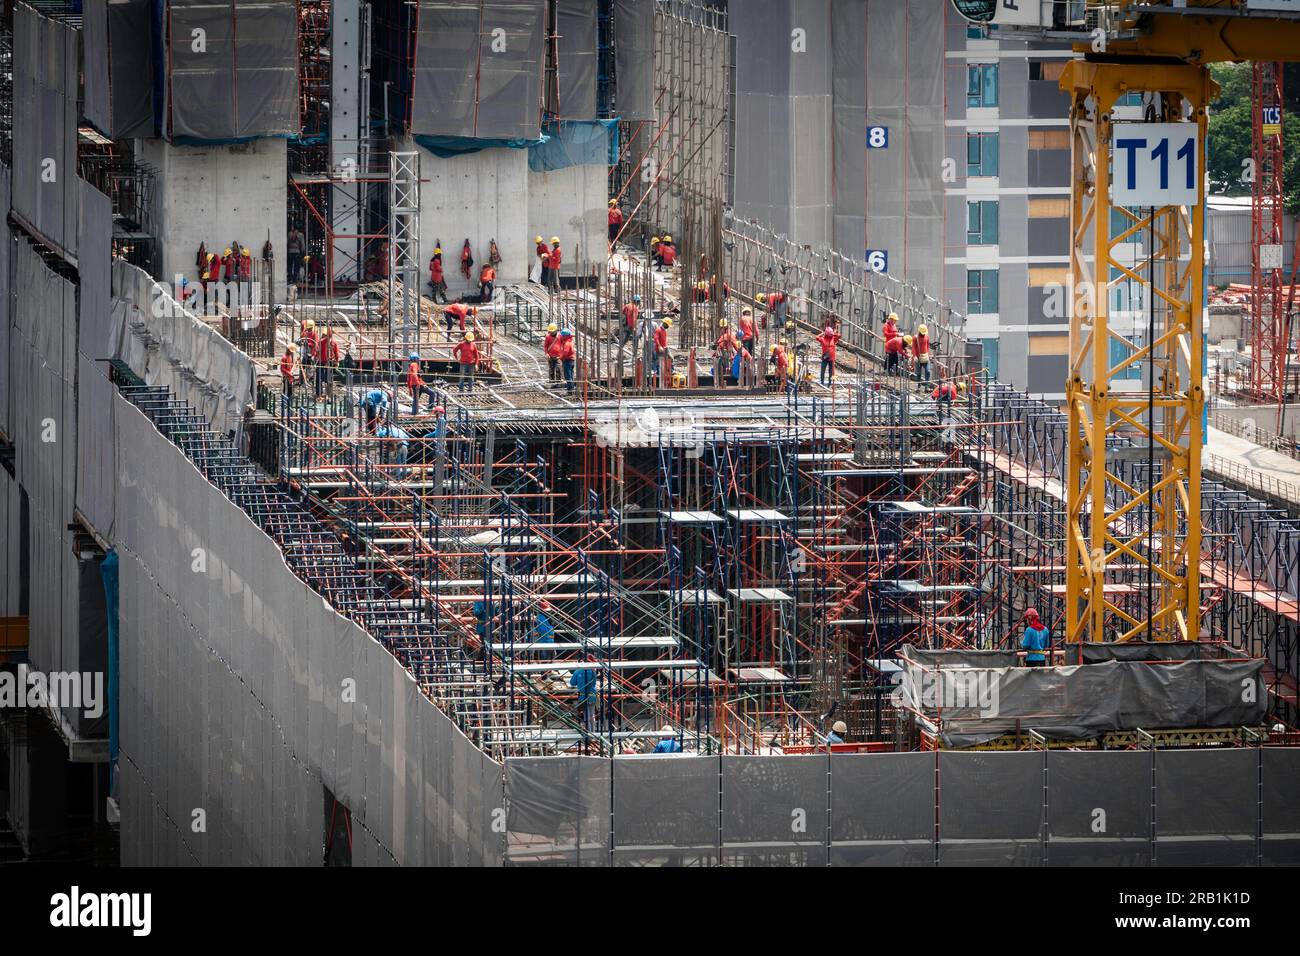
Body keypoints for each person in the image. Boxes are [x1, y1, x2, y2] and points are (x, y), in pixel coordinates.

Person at [317, 326, 340, 399]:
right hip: (322, 362)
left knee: (325, 379)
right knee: (323, 379)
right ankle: (321, 394)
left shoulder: (330, 343)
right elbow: (317, 351)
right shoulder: (324, 342)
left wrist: (336, 361)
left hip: (328, 362)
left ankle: (326, 394)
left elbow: (336, 353)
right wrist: (337, 361)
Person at [816, 322, 841, 386]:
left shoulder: (833, 339)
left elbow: (839, 335)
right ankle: (822, 382)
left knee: (831, 372)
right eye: (830, 334)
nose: (831, 335)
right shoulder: (823, 339)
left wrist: (834, 333)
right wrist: (823, 333)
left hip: (831, 358)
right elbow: (817, 337)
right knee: (822, 371)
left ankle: (831, 383)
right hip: (825, 358)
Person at [653, 317, 672, 384]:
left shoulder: (663, 330)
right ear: (665, 324)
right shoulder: (658, 329)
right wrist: (659, 346)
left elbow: (664, 339)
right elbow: (656, 338)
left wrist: (665, 346)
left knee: (670, 358)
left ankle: (670, 371)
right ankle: (657, 374)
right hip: (659, 349)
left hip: (664, 348)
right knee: (658, 361)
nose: (668, 327)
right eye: (668, 325)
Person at [557, 329, 577, 394]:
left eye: (562, 335)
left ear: (565, 336)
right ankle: (571, 388)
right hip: (571, 360)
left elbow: (565, 353)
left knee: (568, 375)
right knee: (570, 375)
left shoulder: (567, 344)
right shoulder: (570, 341)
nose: (561, 336)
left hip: (567, 361)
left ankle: (570, 390)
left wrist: (560, 358)